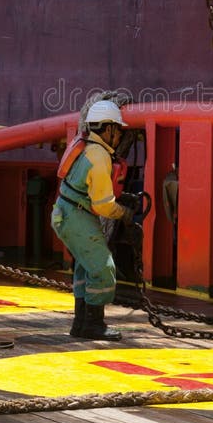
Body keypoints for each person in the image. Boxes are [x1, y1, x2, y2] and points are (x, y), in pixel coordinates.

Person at [52, 99, 135, 340]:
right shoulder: (99, 157)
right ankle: (94, 324)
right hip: (77, 216)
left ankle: (80, 323)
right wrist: (125, 213)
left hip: (65, 212)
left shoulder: (86, 147)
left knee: (85, 266)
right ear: (108, 129)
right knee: (102, 267)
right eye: (118, 130)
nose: (119, 135)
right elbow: (103, 205)